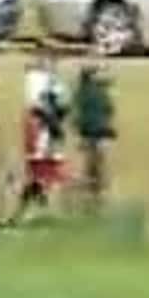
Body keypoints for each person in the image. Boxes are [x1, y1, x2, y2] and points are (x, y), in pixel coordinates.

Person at [21, 46, 68, 211]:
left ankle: (42, 198)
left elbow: (62, 104)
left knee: (52, 164)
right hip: (40, 124)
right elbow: (35, 104)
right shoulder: (35, 78)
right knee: (39, 163)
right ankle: (36, 197)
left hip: (51, 124)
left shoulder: (54, 79)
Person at [74, 62, 116, 210]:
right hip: (102, 133)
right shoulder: (100, 92)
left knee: (88, 166)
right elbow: (109, 110)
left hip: (87, 134)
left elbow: (76, 115)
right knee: (100, 166)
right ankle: (99, 197)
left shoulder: (80, 92)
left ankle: (89, 197)